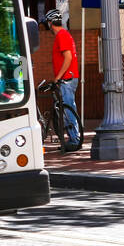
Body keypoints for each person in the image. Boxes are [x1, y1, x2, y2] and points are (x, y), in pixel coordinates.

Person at [42, 10, 81, 151]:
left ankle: (74, 140)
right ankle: (73, 138)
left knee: (67, 110)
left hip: (66, 79)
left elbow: (68, 57)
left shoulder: (61, 36)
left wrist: (57, 78)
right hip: (69, 78)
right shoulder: (64, 35)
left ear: (50, 23)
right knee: (68, 108)